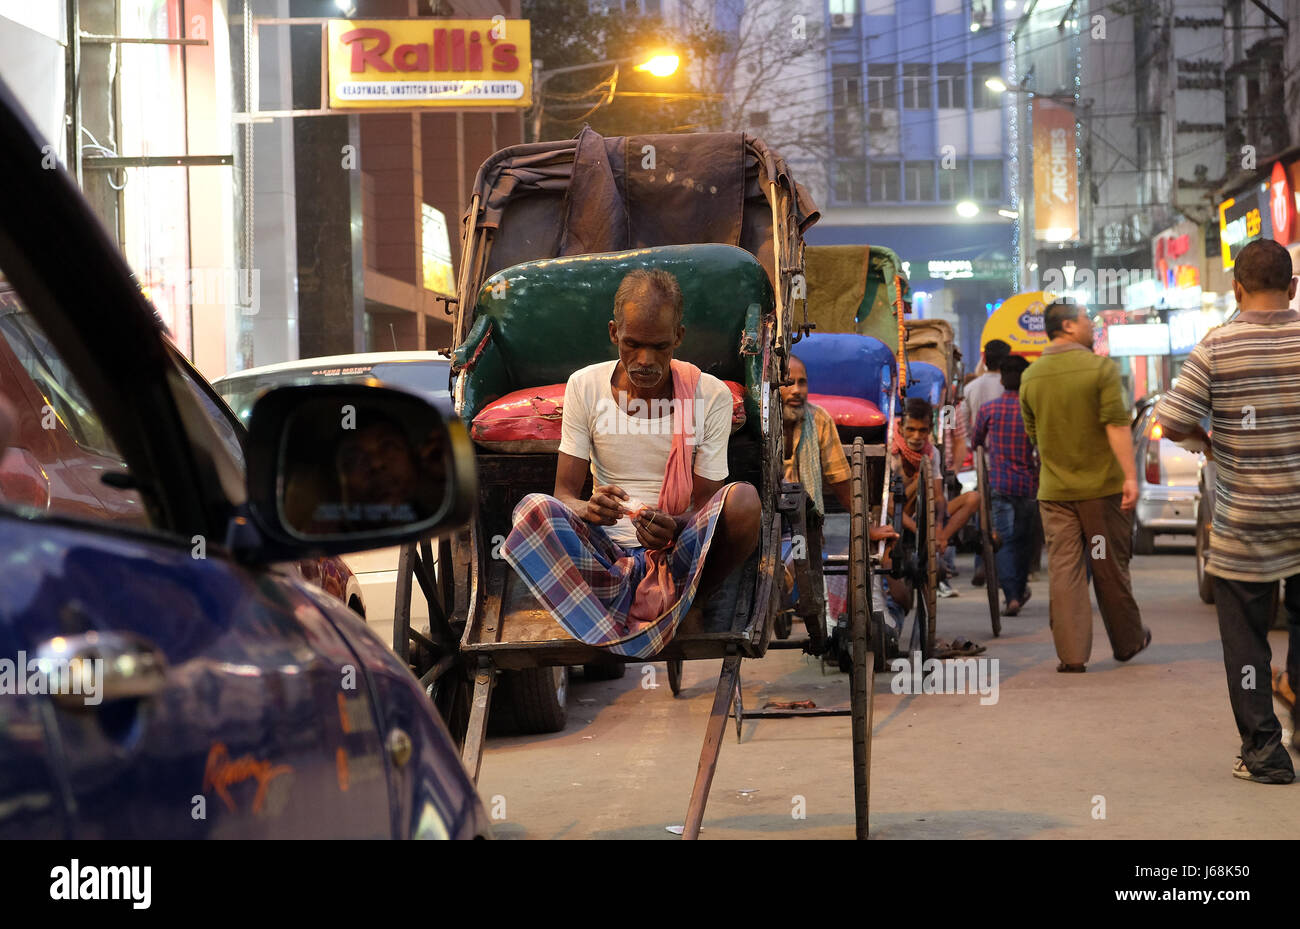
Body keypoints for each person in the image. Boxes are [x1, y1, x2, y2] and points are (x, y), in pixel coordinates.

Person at [500, 269, 761, 658]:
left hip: (678, 552)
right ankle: (620, 614)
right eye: (632, 344)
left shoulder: (710, 395)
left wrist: (675, 525)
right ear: (613, 333)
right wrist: (587, 508)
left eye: (659, 346)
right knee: (535, 509)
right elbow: (564, 495)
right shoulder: (584, 386)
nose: (645, 360)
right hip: (603, 553)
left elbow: (704, 509)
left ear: (678, 337)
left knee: (743, 503)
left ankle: (691, 600)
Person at [1157, 238, 1299, 784]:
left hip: (1245, 523)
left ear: (1237, 288)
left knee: (1246, 640)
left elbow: (1170, 422)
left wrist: (1208, 440)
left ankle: (1264, 752)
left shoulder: (1217, 347)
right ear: (1292, 288)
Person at [1019, 297, 1150, 673]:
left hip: (1056, 494)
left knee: (1064, 570)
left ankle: (1072, 655)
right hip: (1100, 492)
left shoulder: (1032, 376)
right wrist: (1129, 476)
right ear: (1068, 327)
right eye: (1086, 320)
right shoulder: (1098, 369)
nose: (1093, 325)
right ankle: (1128, 641)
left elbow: (1035, 434)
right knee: (1106, 564)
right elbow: (1115, 424)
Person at [779, 353, 896, 617]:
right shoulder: (760, 421)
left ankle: (782, 579)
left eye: (803, 382)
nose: (797, 390)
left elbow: (842, 483)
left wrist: (865, 527)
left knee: (802, 542)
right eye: (789, 382)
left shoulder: (818, 420)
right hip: (766, 521)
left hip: (803, 523)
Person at [972, 355, 1036, 615]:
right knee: (1024, 542)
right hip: (1028, 485)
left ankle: (1011, 595)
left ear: (1001, 379)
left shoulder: (989, 410)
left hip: (999, 483)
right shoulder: (1032, 410)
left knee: (1004, 541)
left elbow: (976, 441)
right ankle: (1018, 591)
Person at [964, 339, 1009, 587]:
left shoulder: (971, 388)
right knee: (1001, 516)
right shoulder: (1009, 389)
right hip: (1005, 462)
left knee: (981, 513)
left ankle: (981, 564)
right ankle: (1003, 568)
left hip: (978, 460)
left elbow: (960, 423)